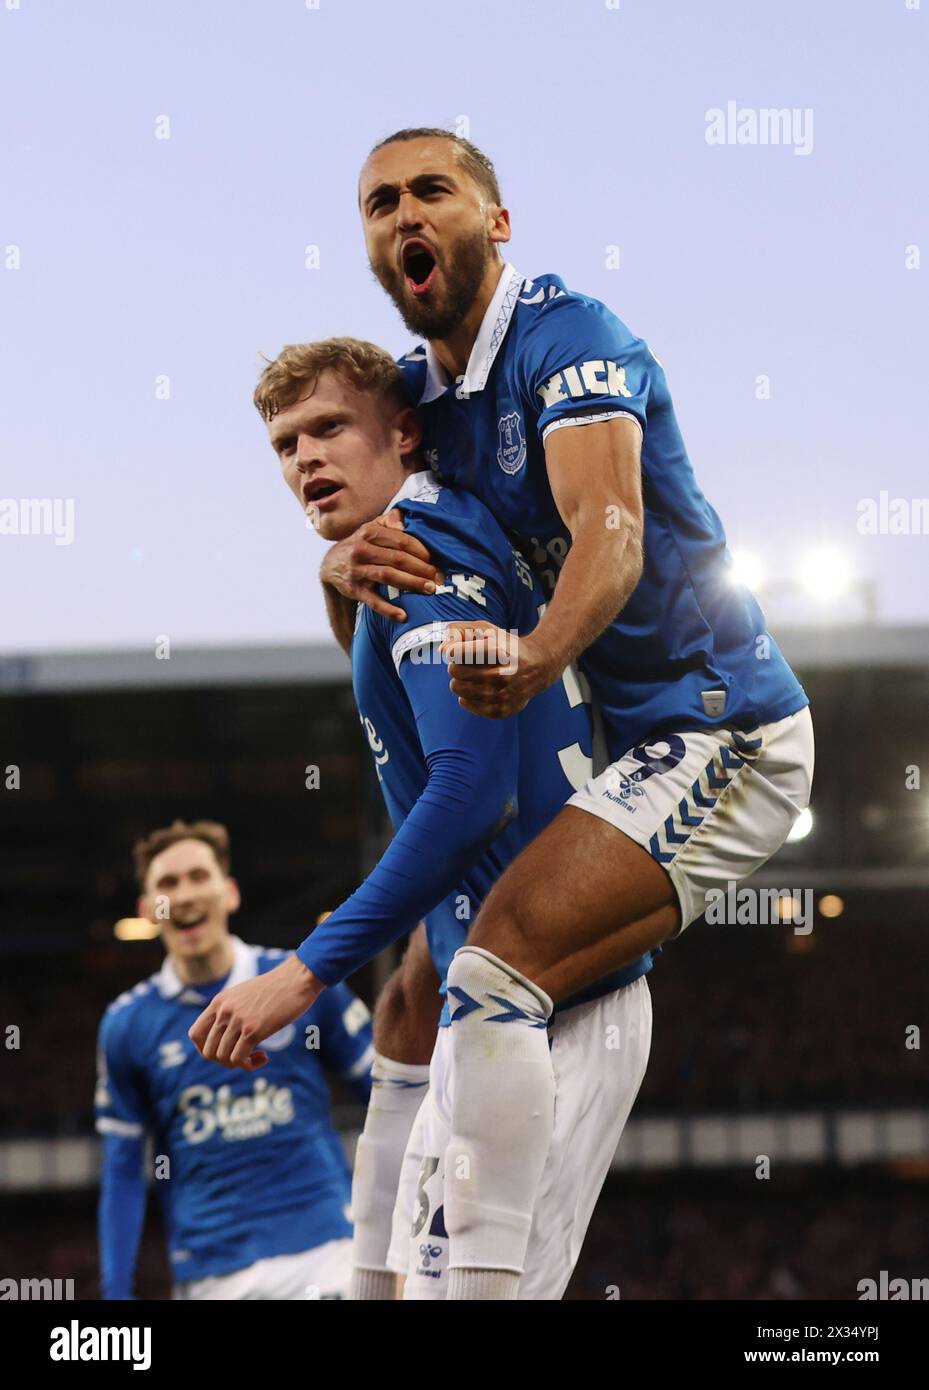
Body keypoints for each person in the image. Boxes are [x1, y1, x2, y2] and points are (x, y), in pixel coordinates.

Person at [312, 127, 814, 1300]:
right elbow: (381, 609)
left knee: (490, 970)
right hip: (609, 747)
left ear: (494, 222)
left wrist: (534, 656)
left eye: (431, 190)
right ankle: (375, 1283)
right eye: (379, 202)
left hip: (716, 731)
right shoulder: (418, 402)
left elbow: (612, 532)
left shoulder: (568, 337)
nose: (403, 215)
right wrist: (338, 570)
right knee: (414, 990)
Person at [190, 339, 654, 1300]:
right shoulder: (408, 541)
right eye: (285, 444)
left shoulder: (420, 551)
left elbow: (472, 795)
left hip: (549, 1008)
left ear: (404, 433)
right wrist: (332, 577)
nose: (305, 459)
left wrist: (302, 974)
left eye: (328, 429)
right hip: (492, 1001)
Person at [95, 818, 373, 1300]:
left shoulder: (301, 983)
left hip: (327, 1255)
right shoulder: (126, 1024)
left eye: (199, 877)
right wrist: (116, 1293)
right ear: (147, 909)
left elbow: (389, 1091)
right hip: (212, 1275)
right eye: (167, 884)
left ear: (230, 893)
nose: (183, 896)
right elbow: (123, 1168)